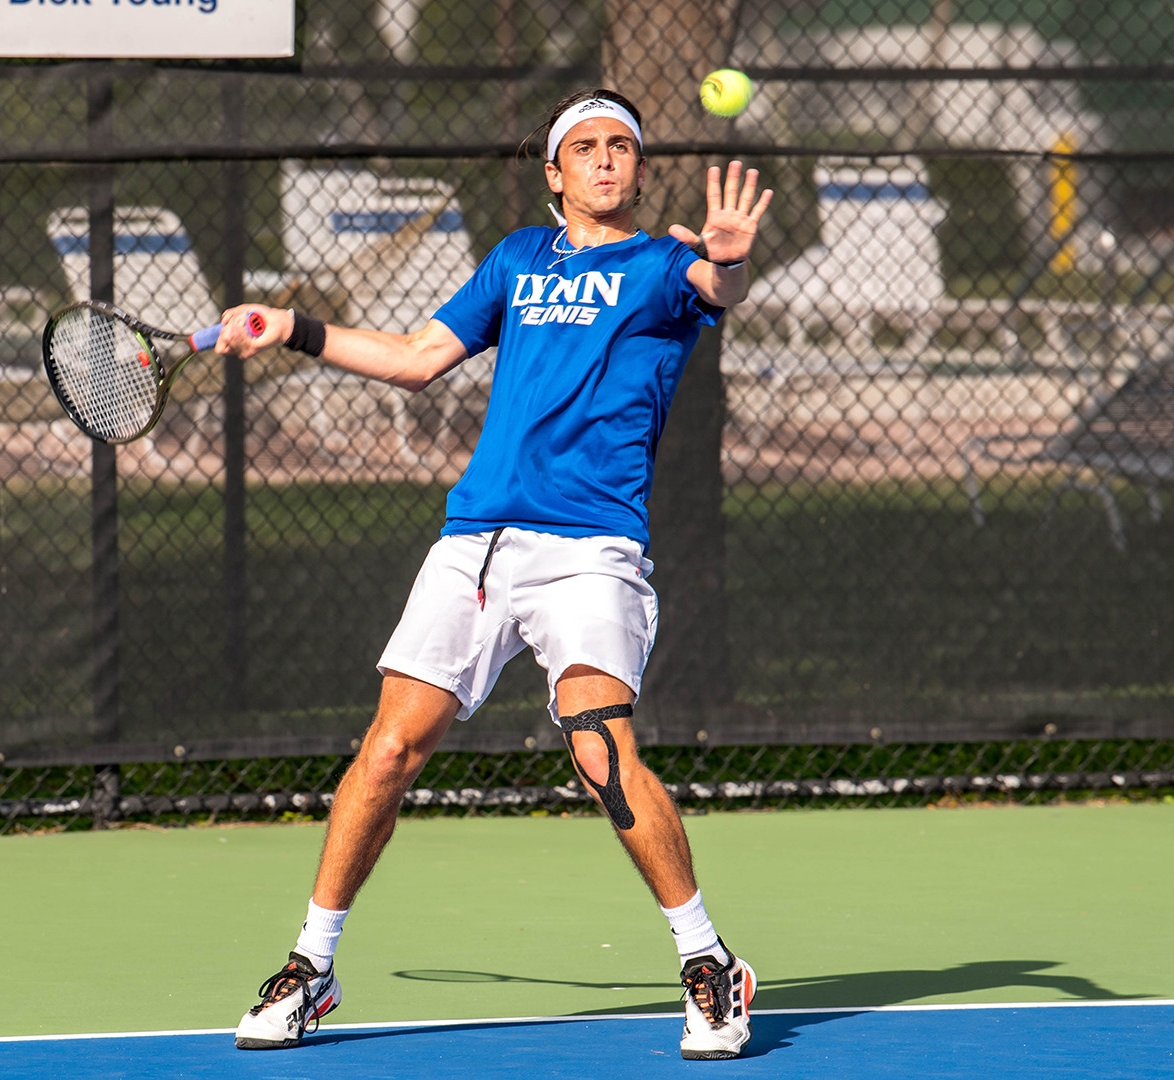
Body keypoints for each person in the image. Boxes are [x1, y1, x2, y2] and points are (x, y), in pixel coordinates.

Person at [213, 87, 774, 1061]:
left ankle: (708, 961)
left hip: (590, 549)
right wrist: (293, 329)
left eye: (621, 148)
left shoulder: (661, 267)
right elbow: (417, 358)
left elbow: (718, 288)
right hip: (475, 545)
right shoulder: (516, 259)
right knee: (388, 752)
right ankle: (314, 962)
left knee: (599, 743)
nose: (605, 161)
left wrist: (727, 257)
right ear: (554, 172)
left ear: (638, 168)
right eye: (585, 148)